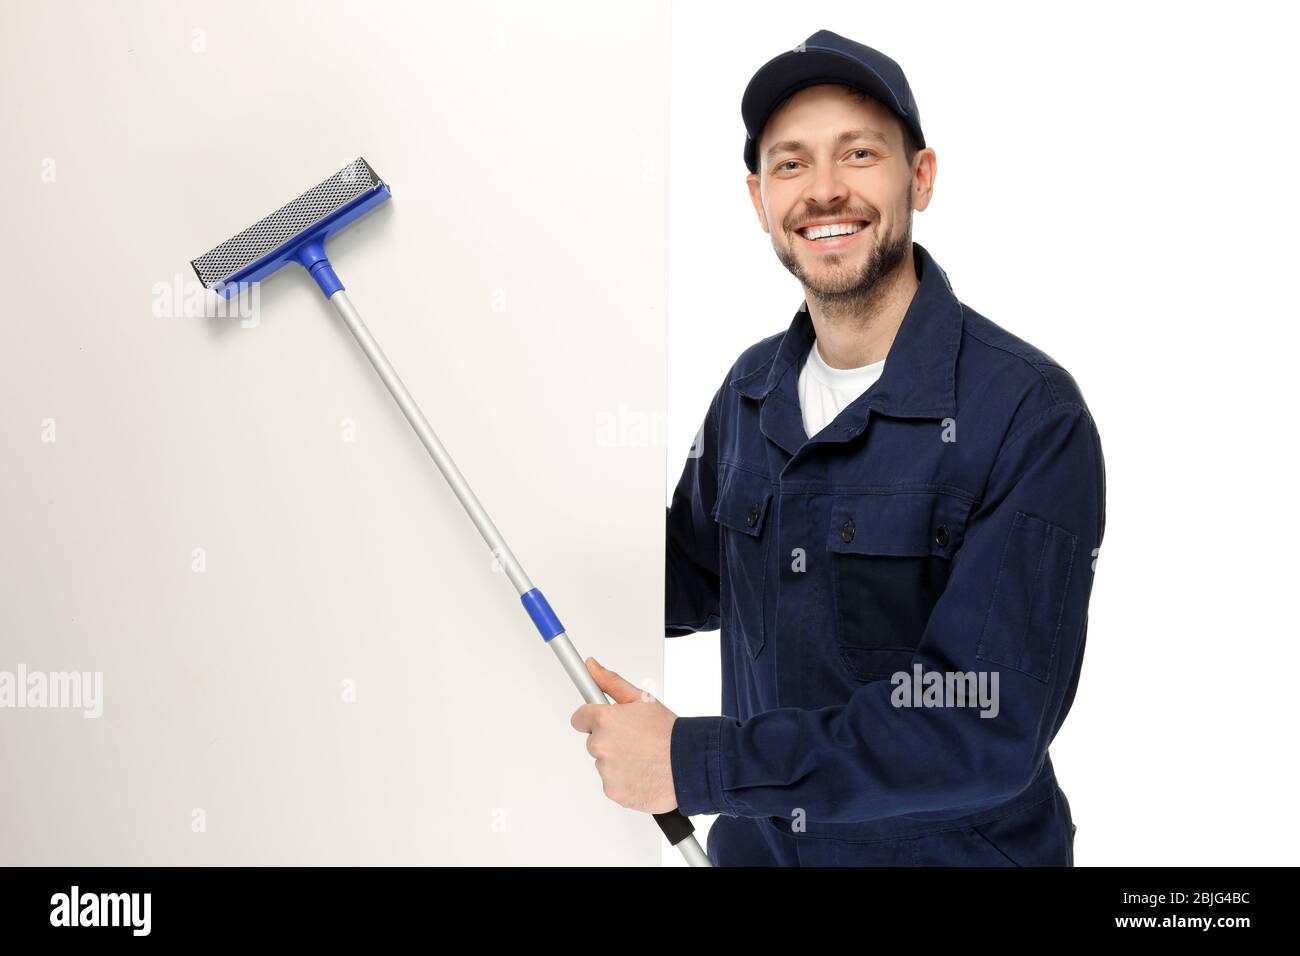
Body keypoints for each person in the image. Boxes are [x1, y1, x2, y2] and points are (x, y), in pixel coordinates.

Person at [570, 29, 1106, 866]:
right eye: (791, 164)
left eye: (858, 154)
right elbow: (690, 574)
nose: (824, 192)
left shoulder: (1028, 416)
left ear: (919, 177)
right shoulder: (751, 394)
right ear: (757, 199)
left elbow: (981, 721)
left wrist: (692, 763)